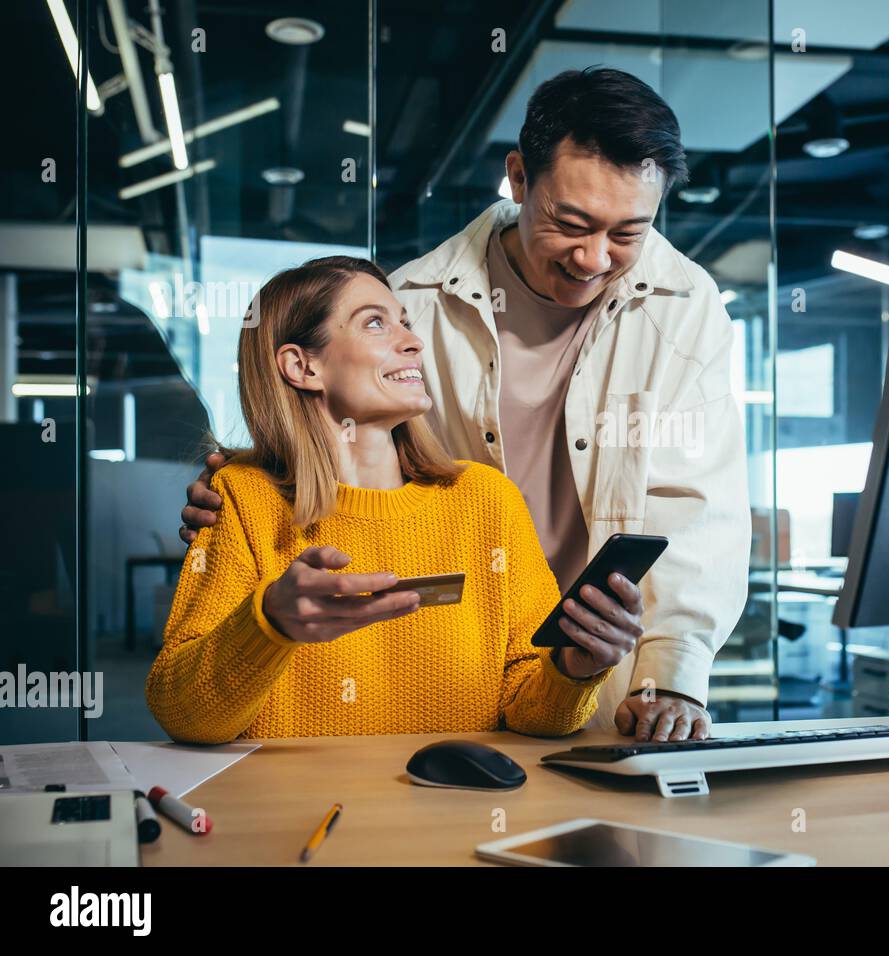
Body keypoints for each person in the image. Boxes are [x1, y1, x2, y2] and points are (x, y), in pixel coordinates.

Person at [180, 67, 750, 742]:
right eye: (571, 223)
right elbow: (340, 434)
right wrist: (253, 481)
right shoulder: (414, 301)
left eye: (628, 233)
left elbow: (697, 510)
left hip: (595, 672)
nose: (594, 257)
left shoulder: (688, 307)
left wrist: (673, 677)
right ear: (517, 177)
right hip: (455, 666)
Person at [148, 256, 635, 744]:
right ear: (302, 365)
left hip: (452, 810)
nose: (413, 341)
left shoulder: (488, 500)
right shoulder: (242, 497)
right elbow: (186, 716)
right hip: (295, 815)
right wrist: (268, 623)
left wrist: (574, 667)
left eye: (404, 321)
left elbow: (533, 711)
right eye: (376, 323)